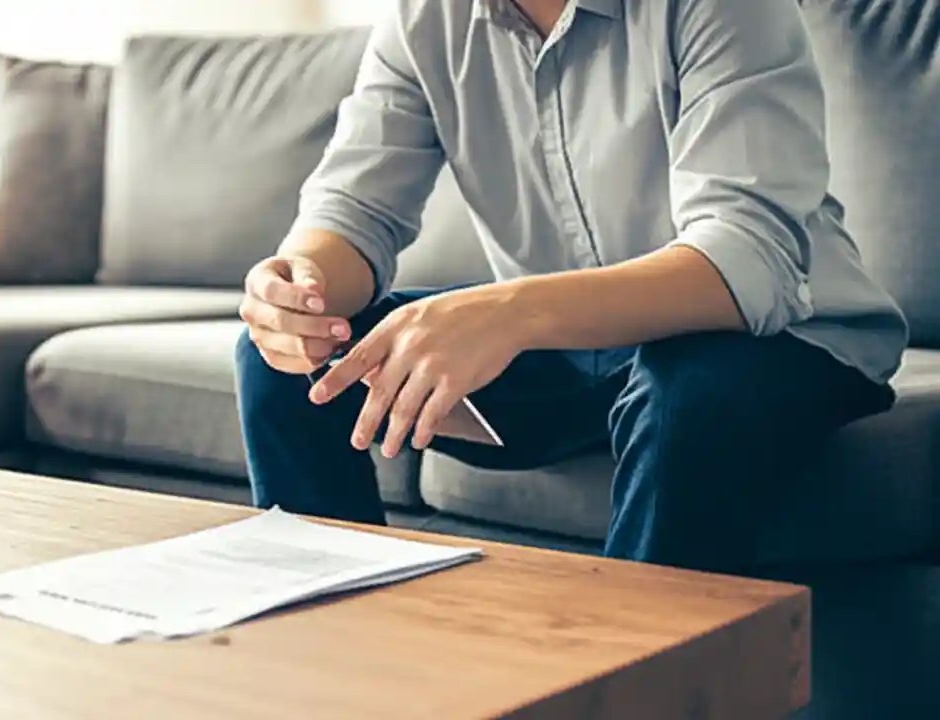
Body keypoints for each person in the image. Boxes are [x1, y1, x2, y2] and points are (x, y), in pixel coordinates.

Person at [233, 0, 907, 573]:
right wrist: (300, 289)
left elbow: (746, 257)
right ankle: (341, 672)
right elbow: (354, 212)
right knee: (284, 362)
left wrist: (506, 314)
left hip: (783, 335)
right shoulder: (427, 16)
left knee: (683, 397)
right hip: (573, 346)